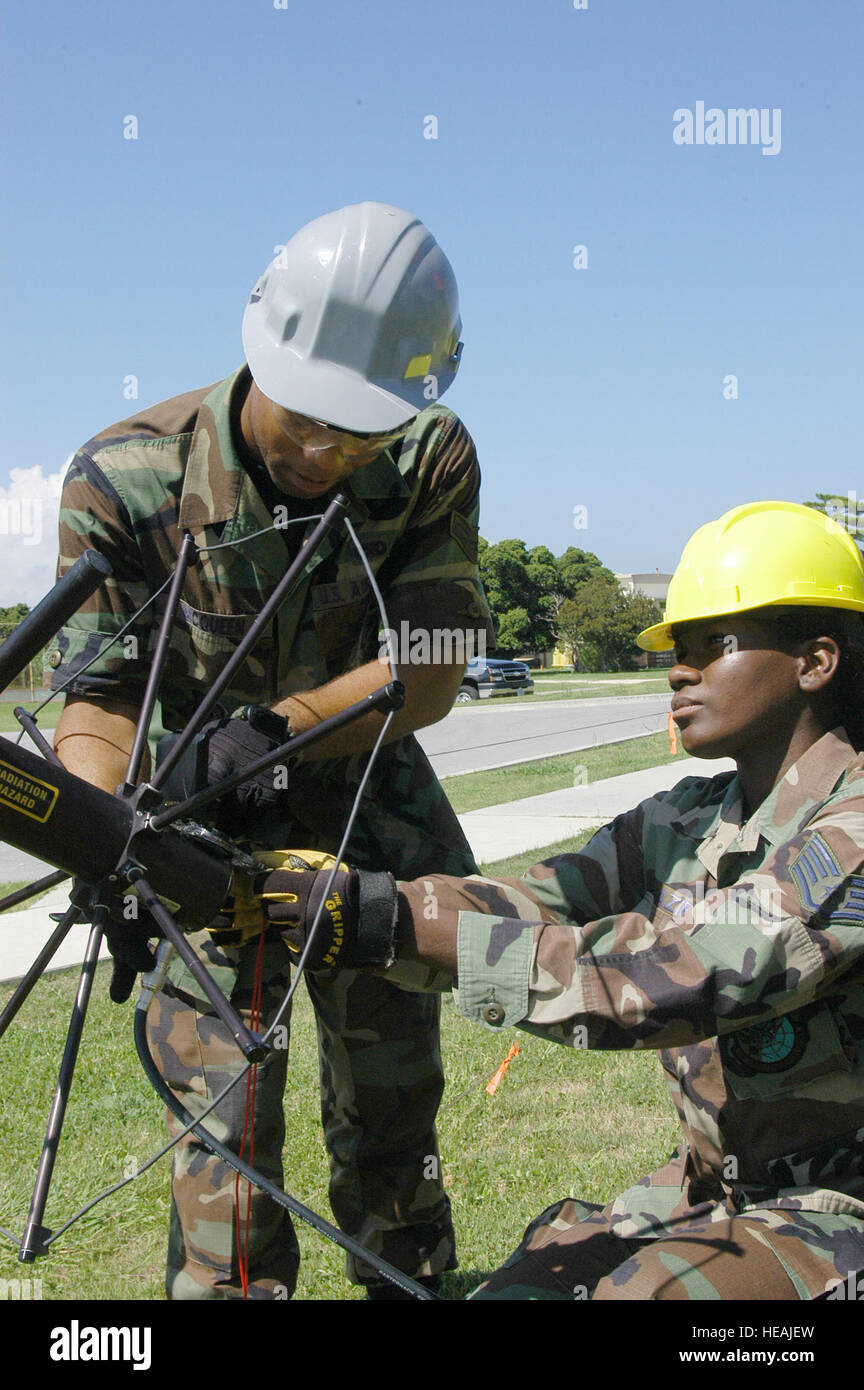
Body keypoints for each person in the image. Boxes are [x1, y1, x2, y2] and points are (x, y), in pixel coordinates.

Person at [243, 500, 864, 1299]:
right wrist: (348, 902)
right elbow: (531, 901)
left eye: (716, 646)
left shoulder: (849, 828)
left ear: (816, 661)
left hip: (838, 1206)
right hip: (714, 1189)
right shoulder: (691, 816)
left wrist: (391, 924)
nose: (680, 669)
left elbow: (692, 975)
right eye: (678, 649)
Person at [47, 202, 494, 1299]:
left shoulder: (432, 457)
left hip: (367, 836)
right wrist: (102, 832)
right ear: (259, 349)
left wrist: (280, 732)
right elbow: (96, 700)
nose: (324, 450)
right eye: (306, 418)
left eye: (360, 431)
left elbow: (430, 668)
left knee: (393, 1129)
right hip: (196, 842)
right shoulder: (127, 478)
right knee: (226, 1153)